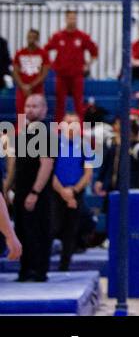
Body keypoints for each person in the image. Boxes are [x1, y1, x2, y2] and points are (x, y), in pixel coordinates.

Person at [6, 93, 54, 281]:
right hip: (20, 191)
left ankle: (38, 271)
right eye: (27, 106)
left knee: (37, 231)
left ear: (44, 110)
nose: (30, 109)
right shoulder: (23, 133)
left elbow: (46, 164)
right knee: (22, 231)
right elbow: (15, 164)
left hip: (37, 193)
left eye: (35, 106)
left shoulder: (45, 133)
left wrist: (35, 192)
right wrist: (8, 187)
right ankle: (25, 269)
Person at [51, 111, 93, 272]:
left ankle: (64, 266)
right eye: (68, 122)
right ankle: (42, 266)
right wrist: (63, 191)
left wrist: (73, 191)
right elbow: (49, 171)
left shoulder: (85, 145)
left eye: (74, 123)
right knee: (52, 227)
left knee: (71, 230)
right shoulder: (53, 144)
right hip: (56, 192)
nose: (71, 126)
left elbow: (88, 173)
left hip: (75, 192)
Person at [45, 9, 98, 121]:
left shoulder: (82, 36)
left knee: (78, 103)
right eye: (70, 18)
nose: (72, 20)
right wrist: (50, 64)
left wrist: (87, 65)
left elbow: (94, 52)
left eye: (74, 18)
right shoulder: (58, 36)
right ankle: (58, 130)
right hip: (61, 75)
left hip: (77, 75)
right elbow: (45, 50)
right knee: (60, 103)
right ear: (66, 19)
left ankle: (80, 129)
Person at [12, 28, 49, 113]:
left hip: (37, 88)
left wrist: (31, 86)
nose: (31, 39)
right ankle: (21, 126)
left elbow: (44, 73)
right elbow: (15, 71)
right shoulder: (20, 53)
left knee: (36, 114)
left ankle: (35, 127)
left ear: (37, 39)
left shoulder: (43, 54)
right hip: (22, 89)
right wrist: (23, 86)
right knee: (21, 113)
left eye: (34, 37)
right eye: (29, 37)